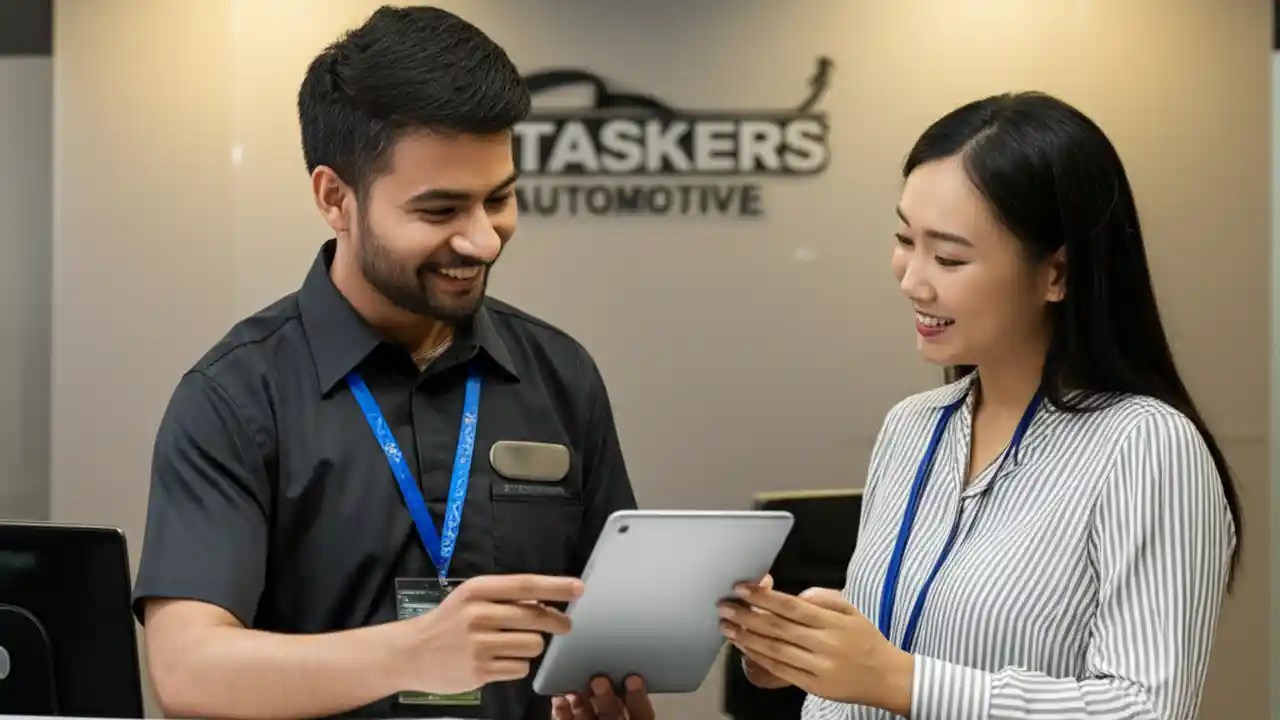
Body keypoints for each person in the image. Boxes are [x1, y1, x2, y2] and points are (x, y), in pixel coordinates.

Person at [558, 92, 1239, 720]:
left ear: (1056, 272)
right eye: (904, 240)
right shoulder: (915, 429)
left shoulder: (1146, 445)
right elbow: (885, 661)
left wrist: (901, 680)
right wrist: (798, 656)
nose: (913, 280)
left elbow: (1145, 708)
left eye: (948, 258)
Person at [131, 6, 636, 720]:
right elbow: (189, 670)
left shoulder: (560, 374)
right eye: (439, 212)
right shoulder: (236, 397)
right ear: (335, 198)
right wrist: (415, 649)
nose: (483, 240)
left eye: (499, 199)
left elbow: (604, 628)